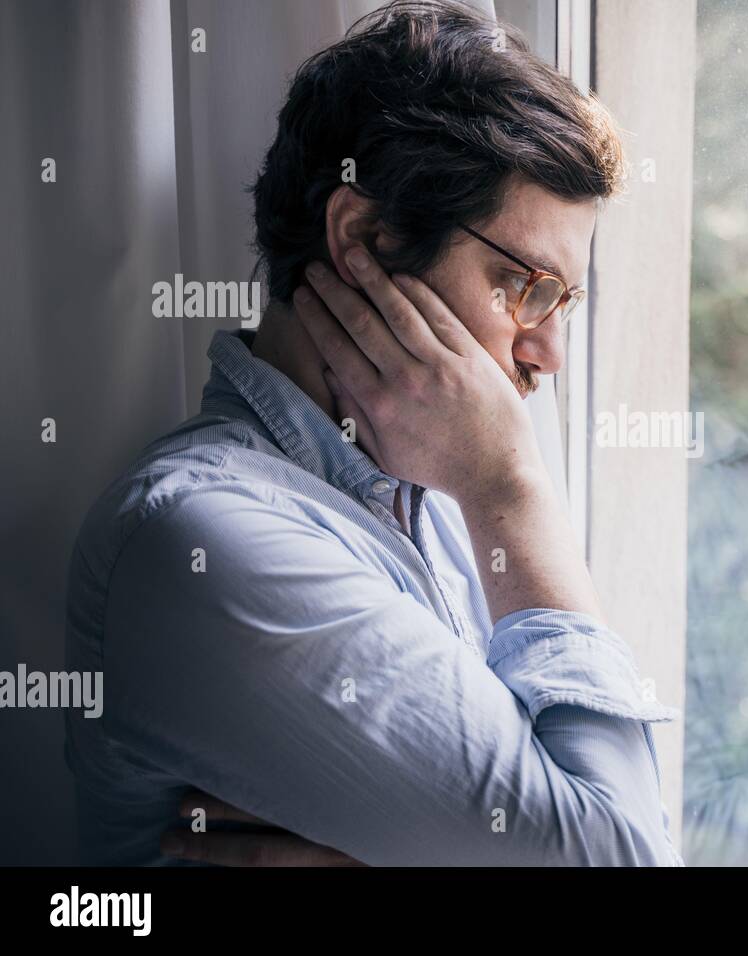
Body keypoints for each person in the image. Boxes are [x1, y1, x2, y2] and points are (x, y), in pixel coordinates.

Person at [63, 0, 682, 866]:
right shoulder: (204, 541)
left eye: (563, 302)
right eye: (520, 284)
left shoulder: (435, 498)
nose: (547, 353)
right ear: (363, 237)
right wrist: (514, 493)